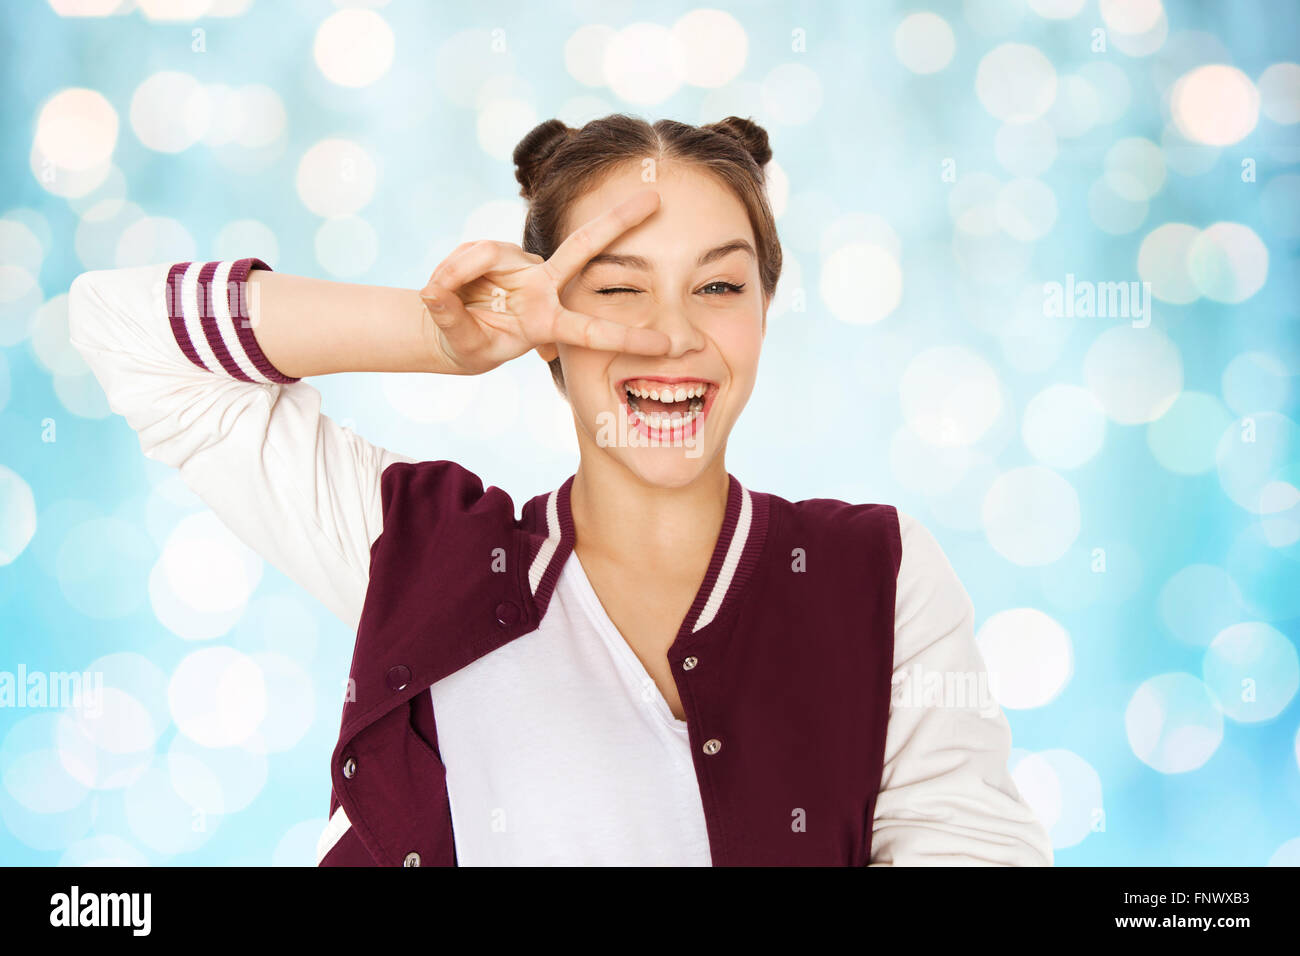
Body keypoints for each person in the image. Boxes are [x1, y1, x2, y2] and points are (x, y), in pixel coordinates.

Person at [68, 113, 1053, 866]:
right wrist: (436, 337)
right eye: (616, 290)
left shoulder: (876, 571)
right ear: (545, 323)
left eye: (718, 286)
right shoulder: (420, 554)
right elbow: (122, 328)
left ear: (764, 309)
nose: (671, 335)